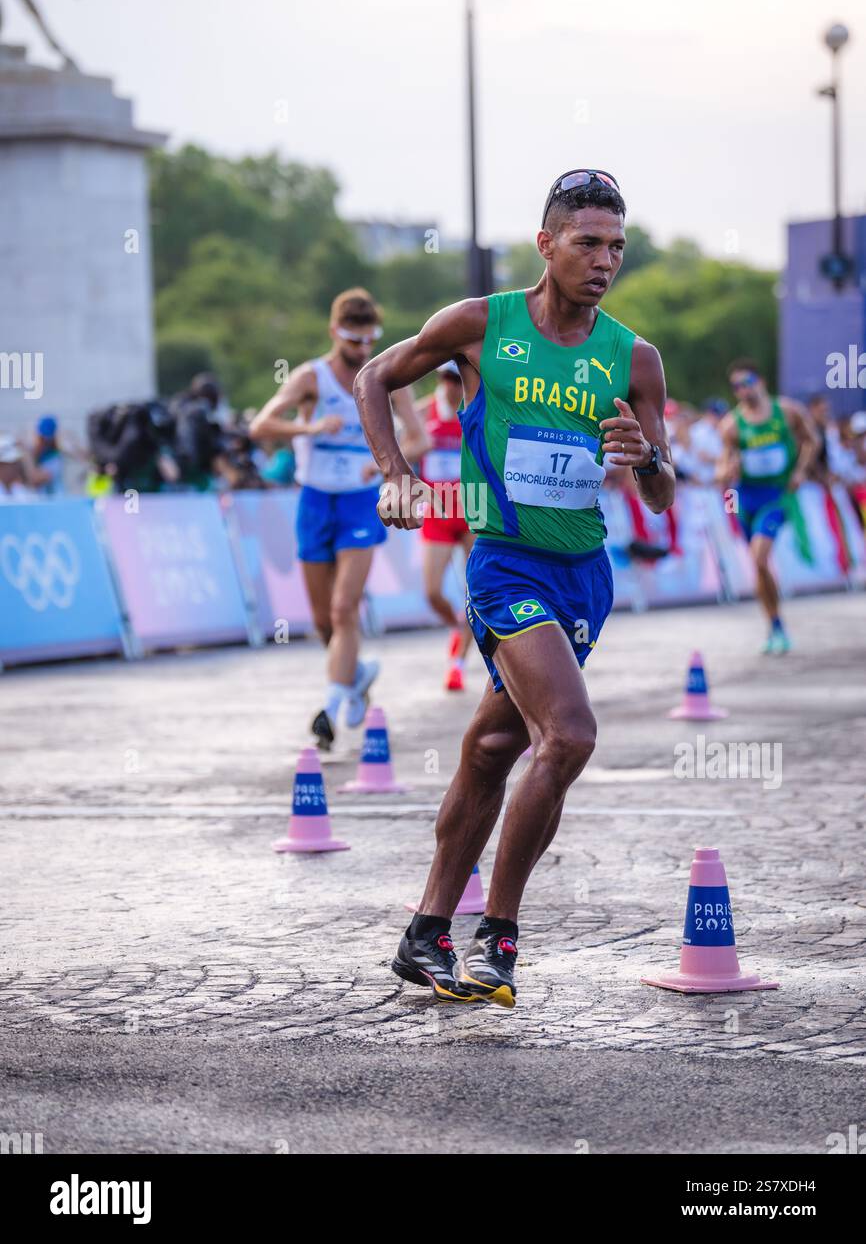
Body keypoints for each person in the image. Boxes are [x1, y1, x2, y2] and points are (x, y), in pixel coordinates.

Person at [356, 170, 675, 1005]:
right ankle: (497, 936)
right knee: (567, 735)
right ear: (545, 243)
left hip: (585, 576)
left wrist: (646, 456)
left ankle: (425, 932)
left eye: (616, 247)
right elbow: (375, 377)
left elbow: (661, 491)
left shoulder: (635, 357)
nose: (604, 261)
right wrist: (395, 474)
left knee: (495, 748)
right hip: (505, 564)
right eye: (587, 243)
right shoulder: (479, 324)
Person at [250, 288, 425, 749]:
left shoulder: (388, 377)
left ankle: (329, 710)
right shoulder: (312, 378)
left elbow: (419, 437)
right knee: (324, 620)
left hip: (360, 502)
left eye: (370, 340)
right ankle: (355, 676)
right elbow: (260, 425)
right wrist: (307, 427)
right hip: (314, 501)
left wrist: (384, 463)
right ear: (334, 333)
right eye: (354, 341)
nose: (363, 350)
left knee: (345, 607)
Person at [718, 360, 818, 654]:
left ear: (761, 381)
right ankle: (775, 627)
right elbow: (721, 471)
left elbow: (811, 440)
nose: (743, 390)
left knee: (760, 558)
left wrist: (801, 471)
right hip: (746, 499)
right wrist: (727, 472)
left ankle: (777, 627)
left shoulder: (787, 411)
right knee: (758, 565)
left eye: (747, 382)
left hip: (778, 496)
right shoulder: (731, 425)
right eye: (736, 386)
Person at [414, 361, 475, 691]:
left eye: (457, 378)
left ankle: (457, 665)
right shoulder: (423, 412)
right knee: (432, 592)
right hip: (437, 508)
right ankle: (456, 625)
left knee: (475, 590)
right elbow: (399, 447)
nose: (452, 385)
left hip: (473, 506)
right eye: (447, 378)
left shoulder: (476, 409)